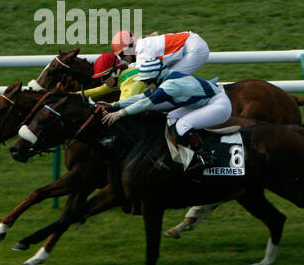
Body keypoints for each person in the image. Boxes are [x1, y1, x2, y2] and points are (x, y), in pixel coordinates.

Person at [100, 58, 233, 172]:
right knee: (172, 118)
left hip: (218, 105)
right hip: (205, 103)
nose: (146, 85)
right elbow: (142, 96)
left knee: (182, 125)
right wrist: (115, 105)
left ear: (157, 78)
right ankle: (186, 155)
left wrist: (119, 114)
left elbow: (146, 103)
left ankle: (207, 158)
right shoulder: (165, 79)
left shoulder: (170, 85)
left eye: (147, 82)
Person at [113, 29, 211, 76]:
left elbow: (142, 73)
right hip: (192, 45)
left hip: (194, 48)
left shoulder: (142, 48)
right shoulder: (142, 45)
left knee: (170, 81)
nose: (123, 59)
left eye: (122, 55)